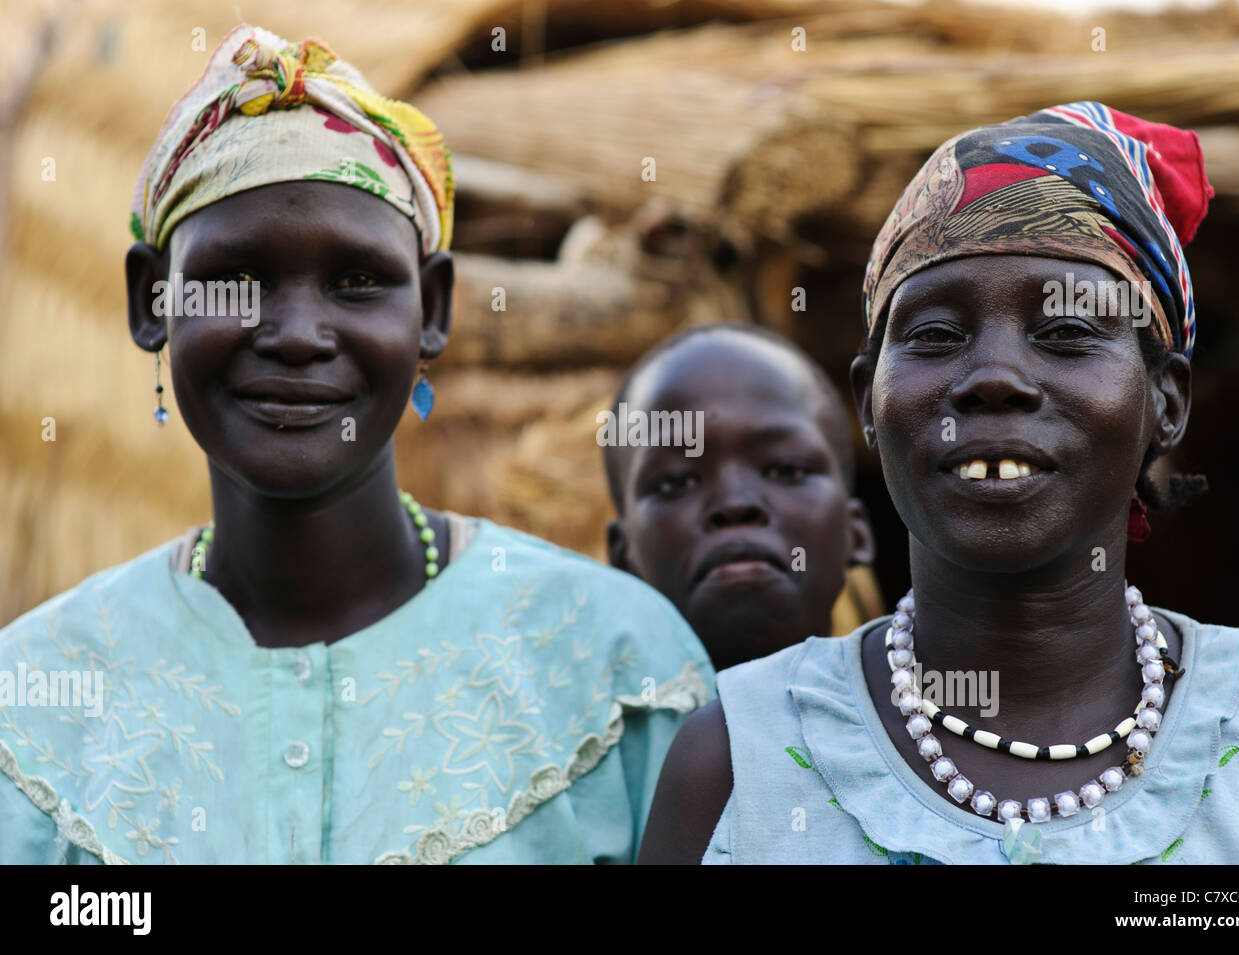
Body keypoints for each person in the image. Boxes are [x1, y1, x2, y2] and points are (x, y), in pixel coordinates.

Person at [0, 24, 713, 865]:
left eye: (357, 281)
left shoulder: (618, 668)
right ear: (152, 299)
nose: (298, 334)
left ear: (435, 308)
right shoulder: (34, 705)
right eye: (238, 279)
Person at [638, 102, 1239, 865]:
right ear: (867, 404)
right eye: (936, 335)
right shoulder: (735, 759)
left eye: (1065, 333)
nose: (993, 378)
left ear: (1166, 401)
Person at [603, 323, 876, 671]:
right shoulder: (570, 725)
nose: (735, 504)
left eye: (786, 470)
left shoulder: (926, 719)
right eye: (677, 482)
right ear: (622, 555)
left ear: (856, 532)